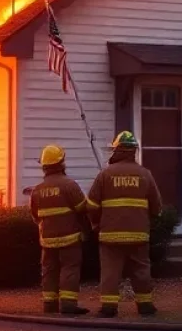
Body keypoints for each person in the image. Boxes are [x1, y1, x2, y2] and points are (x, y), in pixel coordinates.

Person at [87, 130, 163, 318]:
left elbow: (92, 206)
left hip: (110, 234)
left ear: (117, 150)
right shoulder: (145, 174)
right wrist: (146, 221)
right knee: (141, 270)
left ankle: (109, 308)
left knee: (110, 272)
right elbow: (157, 206)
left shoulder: (105, 175)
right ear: (133, 151)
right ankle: (145, 306)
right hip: (138, 234)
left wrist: (95, 224)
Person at [28, 144, 90, 315]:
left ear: (44, 166)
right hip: (70, 237)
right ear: (61, 162)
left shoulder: (37, 190)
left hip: (47, 239)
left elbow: (35, 216)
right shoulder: (69, 185)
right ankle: (68, 304)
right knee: (70, 269)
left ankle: (49, 304)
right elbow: (82, 209)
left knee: (49, 270)